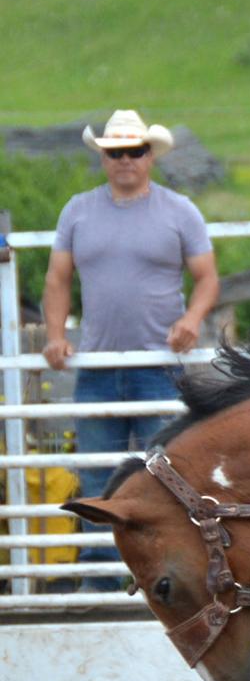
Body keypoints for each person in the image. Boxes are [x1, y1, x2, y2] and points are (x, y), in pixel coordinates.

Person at [42, 109, 218, 590]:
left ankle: (169, 577)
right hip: (98, 365)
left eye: (134, 151)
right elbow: (57, 279)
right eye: (116, 152)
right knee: (98, 479)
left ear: (149, 155)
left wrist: (192, 319)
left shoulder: (180, 210)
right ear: (103, 158)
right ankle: (101, 579)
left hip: (159, 365)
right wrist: (55, 334)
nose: (125, 160)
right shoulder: (77, 210)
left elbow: (207, 278)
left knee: (166, 477)